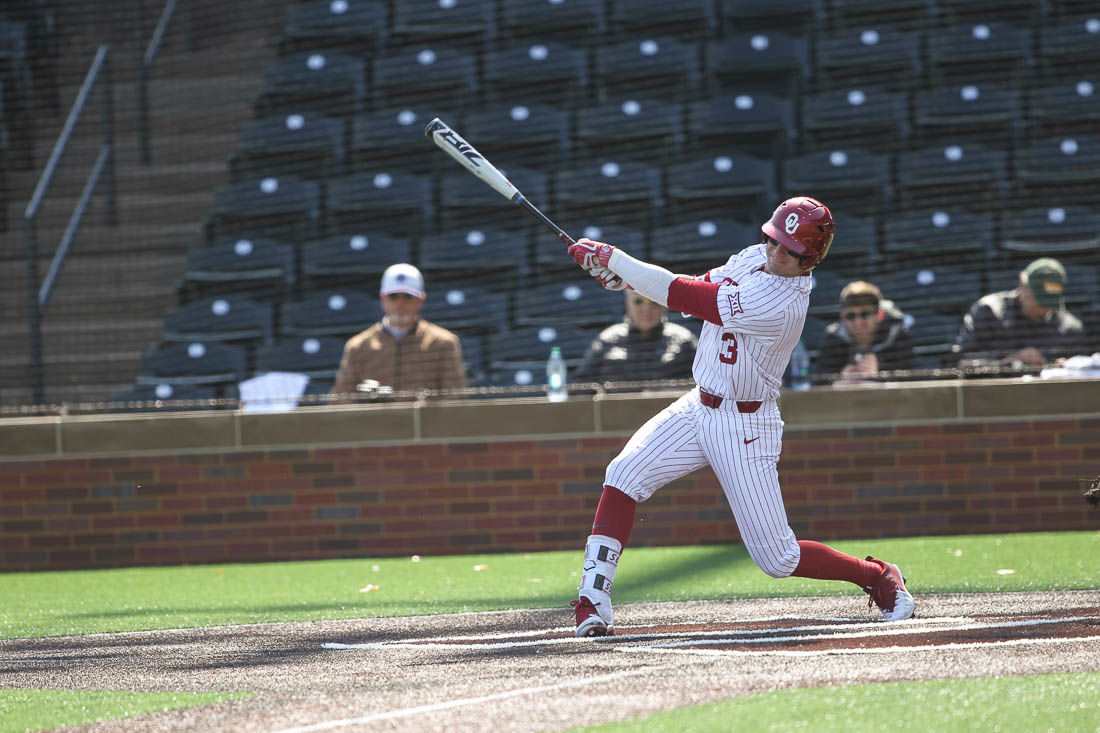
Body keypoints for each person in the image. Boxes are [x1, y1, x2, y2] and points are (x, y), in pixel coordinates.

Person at [566, 196, 915, 638]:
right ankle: (591, 602)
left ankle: (876, 576)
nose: (775, 252)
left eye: (790, 250)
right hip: (698, 406)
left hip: (744, 425)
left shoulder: (783, 303)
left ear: (811, 259)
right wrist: (623, 280)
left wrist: (614, 258)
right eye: (773, 239)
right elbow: (694, 286)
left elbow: (684, 294)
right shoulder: (755, 256)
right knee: (623, 474)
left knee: (778, 559)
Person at [331, 263, 467, 400]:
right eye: (394, 296)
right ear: (383, 298)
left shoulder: (443, 343)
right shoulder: (358, 346)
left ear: (421, 299)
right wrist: (365, 403)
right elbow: (339, 402)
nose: (400, 304)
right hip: (376, 421)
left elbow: (456, 400)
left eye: (408, 297)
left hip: (425, 421)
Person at [951, 257, 1088, 369]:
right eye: (1039, 300)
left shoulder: (1069, 327)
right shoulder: (989, 312)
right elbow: (960, 363)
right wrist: (1012, 360)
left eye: (1049, 303)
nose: (1043, 309)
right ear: (1023, 285)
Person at [572, 291, 698, 386]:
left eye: (654, 302)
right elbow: (581, 386)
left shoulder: (684, 341)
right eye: (638, 301)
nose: (646, 309)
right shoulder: (607, 340)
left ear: (665, 305)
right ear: (628, 303)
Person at [815, 280, 916, 382]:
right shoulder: (832, 340)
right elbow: (818, 384)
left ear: (880, 315)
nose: (858, 323)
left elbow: (912, 379)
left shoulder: (897, 334)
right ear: (843, 317)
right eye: (851, 316)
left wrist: (880, 373)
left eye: (865, 315)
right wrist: (838, 382)